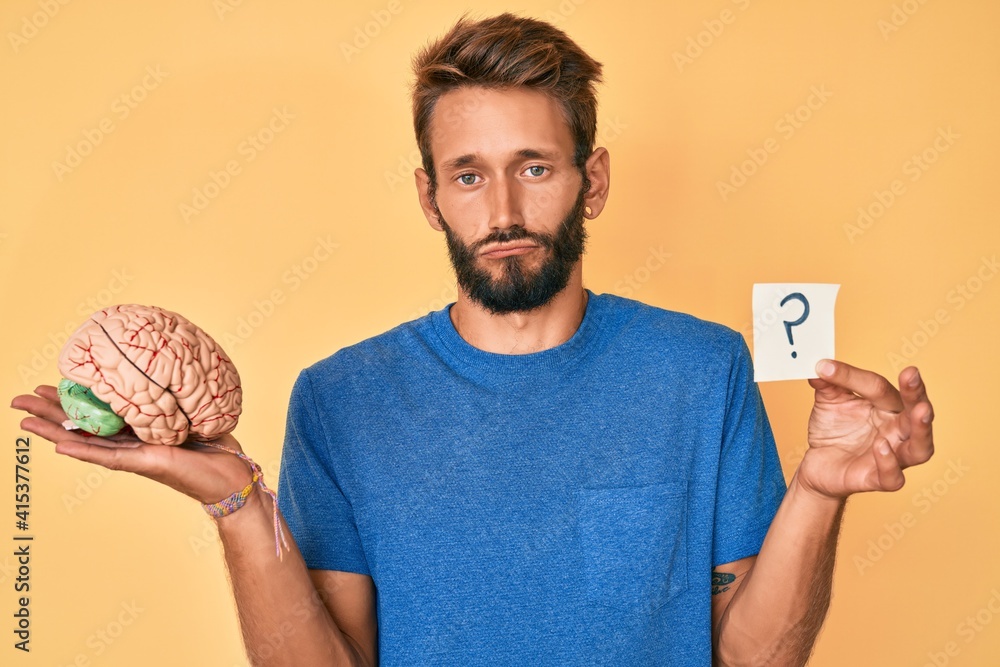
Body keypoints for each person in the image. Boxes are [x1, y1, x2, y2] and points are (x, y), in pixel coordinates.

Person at [11, 12, 934, 667]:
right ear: (430, 197)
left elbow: (750, 658)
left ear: (593, 180)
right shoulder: (340, 398)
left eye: (535, 167)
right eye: (467, 175)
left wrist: (816, 491)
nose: (502, 212)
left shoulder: (701, 369)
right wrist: (241, 503)